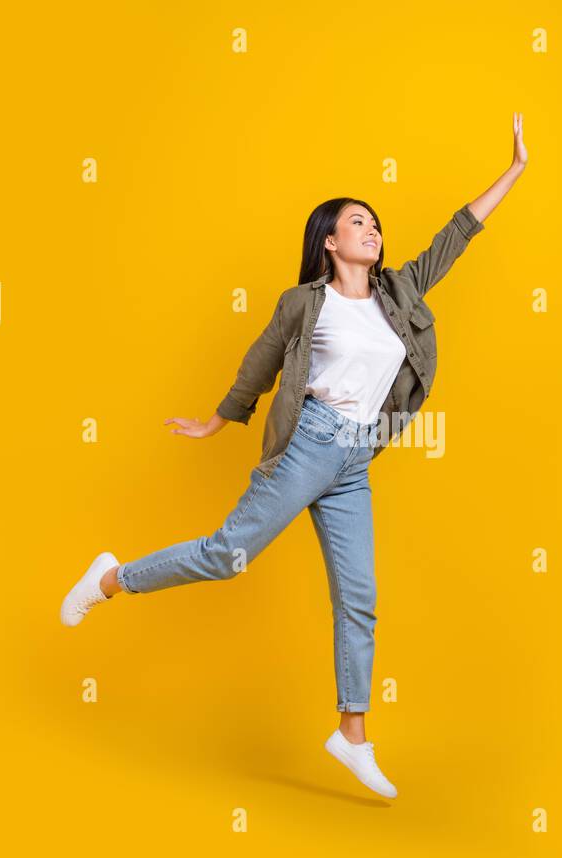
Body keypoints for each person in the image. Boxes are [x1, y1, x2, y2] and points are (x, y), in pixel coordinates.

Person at [61, 113, 528, 799]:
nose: (373, 230)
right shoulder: (305, 304)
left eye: (376, 224)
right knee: (227, 554)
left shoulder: (399, 293)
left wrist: (514, 171)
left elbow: (454, 238)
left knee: (359, 598)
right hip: (309, 443)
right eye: (359, 222)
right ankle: (109, 580)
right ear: (331, 240)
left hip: (355, 460)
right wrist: (218, 421)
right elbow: (260, 363)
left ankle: (353, 734)